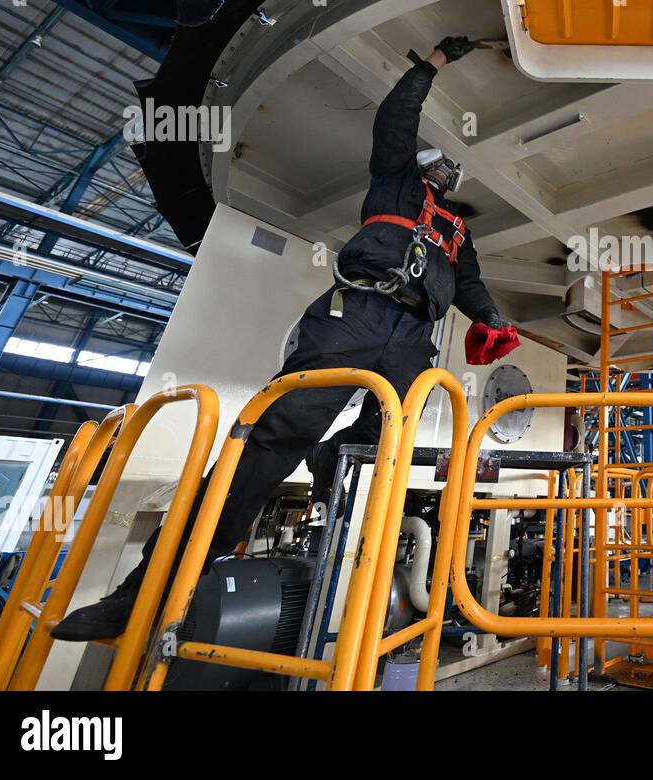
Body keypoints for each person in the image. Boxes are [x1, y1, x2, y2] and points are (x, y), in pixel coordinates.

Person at [53, 37, 516, 641]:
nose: (445, 174)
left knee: (388, 438)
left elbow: (470, 283)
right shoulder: (393, 182)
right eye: (439, 164)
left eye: (451, 172)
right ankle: (143, 590)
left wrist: (491, 320)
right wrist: (431, 63)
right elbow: (394, 122)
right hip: (356, 314)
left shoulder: (457, 231)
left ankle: (332, 453)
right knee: (273, 438)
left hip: (411, 340)